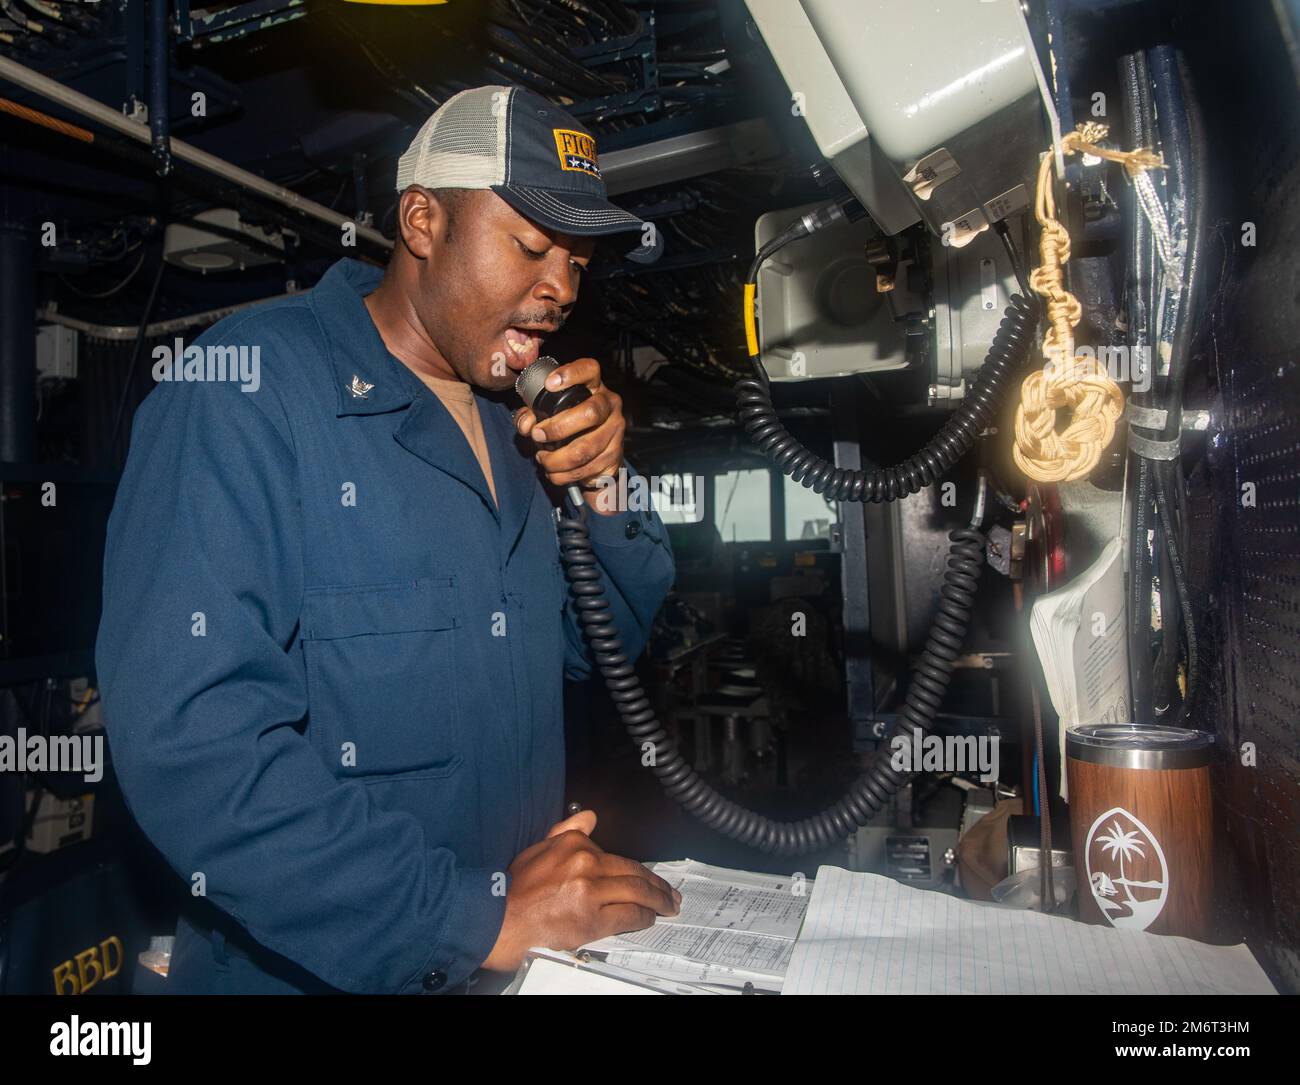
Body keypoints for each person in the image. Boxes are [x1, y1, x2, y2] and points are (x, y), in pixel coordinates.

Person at [95, 84, 678, 994]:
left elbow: (595, 650)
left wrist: (604, 483)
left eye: (577, 259)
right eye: (531, 245)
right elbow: (194, 745)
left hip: (510, 969)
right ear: (422, 221)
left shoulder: (517, 427)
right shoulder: (244, 393)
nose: (561, 286)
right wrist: (467, 916)